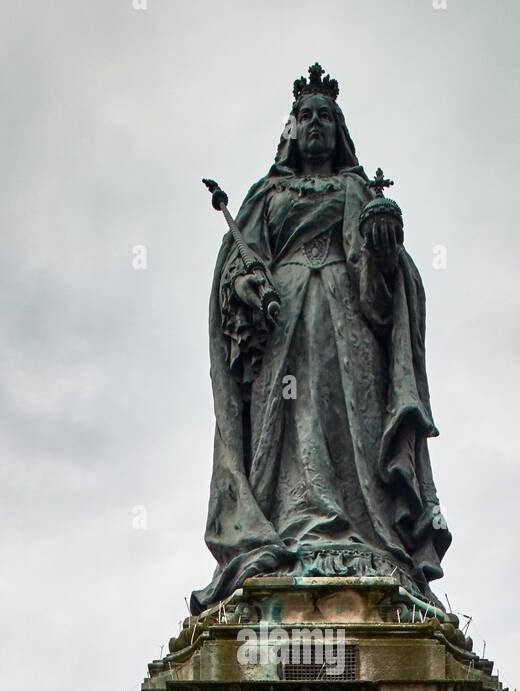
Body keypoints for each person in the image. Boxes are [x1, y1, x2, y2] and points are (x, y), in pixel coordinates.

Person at [192, 64, 451, 612]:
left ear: (338, 131)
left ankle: (361, 537)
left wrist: (383, 247)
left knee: (347, 421)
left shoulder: (356, 190)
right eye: (305, 117)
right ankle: (286, 533)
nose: (314, 126)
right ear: (292, 131)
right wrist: (245, 283)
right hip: (281, 324)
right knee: (283, 429)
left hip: (345, 319)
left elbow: (382, 297)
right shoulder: (266, 196)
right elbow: (239, 265)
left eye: (325, 118)